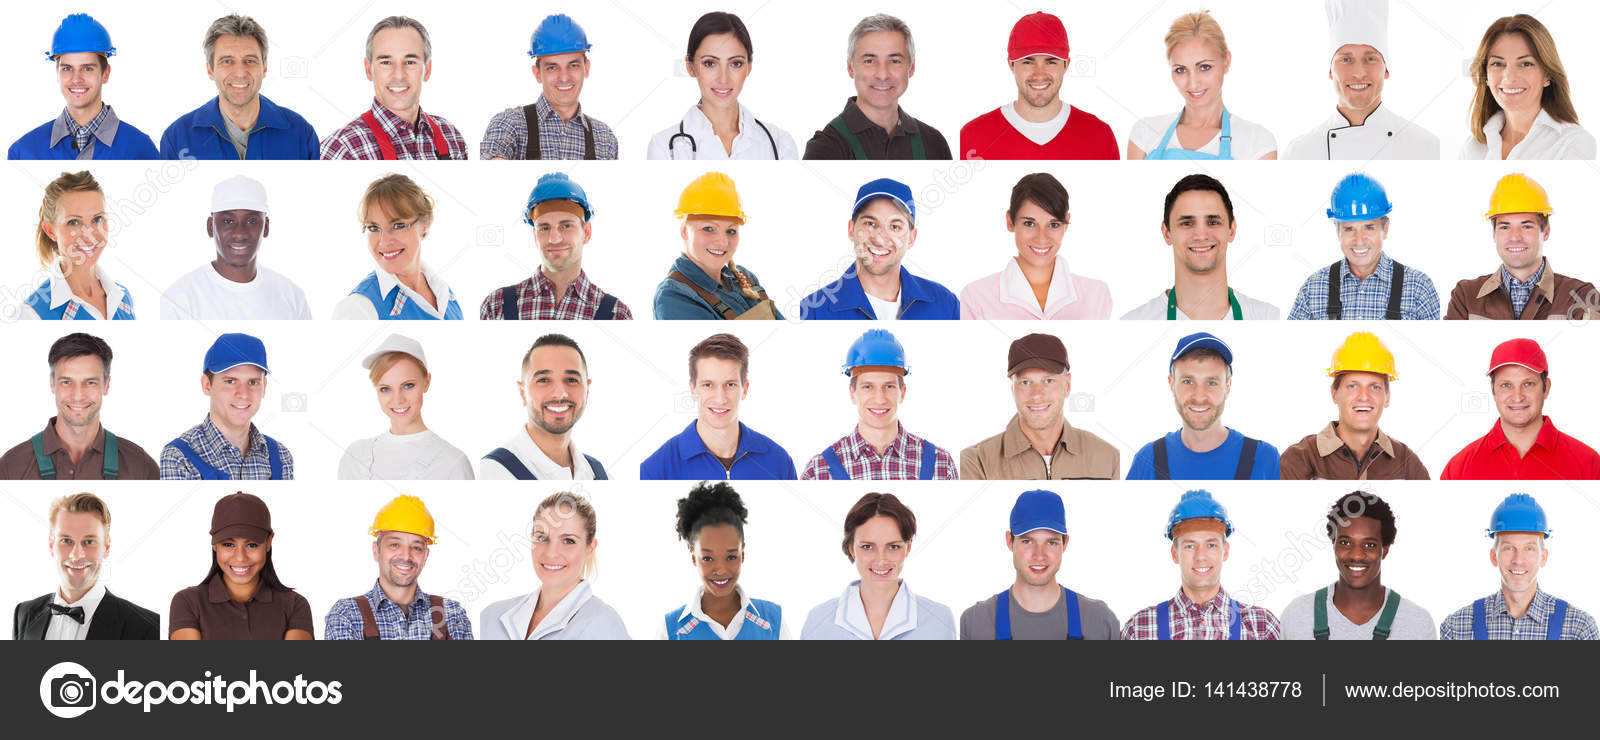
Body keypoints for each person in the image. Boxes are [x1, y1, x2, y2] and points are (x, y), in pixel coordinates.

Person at [1283, 0, 1440, 160]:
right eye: (1345, 60)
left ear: (1386, 70)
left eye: (1370, 58)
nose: (1359, 73)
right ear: (1331, 71)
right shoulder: (1299, 153)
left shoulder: (1425, 148)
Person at [958, 489, 1120, 640]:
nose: (1039, 555)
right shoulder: (974, 623)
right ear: (1009, 541)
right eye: (1027, 541)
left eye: (1051, 542)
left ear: (1065, 544)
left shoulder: (1101, 622)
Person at [1122, 490, 1280, 640]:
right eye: (1189, 546)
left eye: (1211, 545)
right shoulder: (1139, 629)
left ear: (1225, 551)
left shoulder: (1262, 627)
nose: (1201, 556)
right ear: (1175, 554)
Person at [801, 329, 957, 480]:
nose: (880, 399)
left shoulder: (941, 464)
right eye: (868, 387)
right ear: (852, 393)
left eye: (889, 386)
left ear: (902, 393)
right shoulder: (819, 470)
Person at [960, 333, 1120, 481]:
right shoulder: (977, 462)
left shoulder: (1109, 458)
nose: (1037, 395)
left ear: (1068, 385)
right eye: (1025, 382)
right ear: (1013, 389)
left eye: (1048, 381)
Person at [959, 12, 1117, 160]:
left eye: (1051, 62)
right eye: (1028, 62)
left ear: (1066, 65)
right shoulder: (973, 136)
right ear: (1011, 65)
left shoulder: (1099, 135)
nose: (1039, 74)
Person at [158, 14, 319, 160]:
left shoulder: (301, 134)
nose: (240, 73)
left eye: (250, 61)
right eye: (227, 61)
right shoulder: (177, 138)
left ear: (264, 68)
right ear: (210, 70)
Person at [0, 333, 159, 480]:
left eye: (90, 383)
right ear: (52, 384)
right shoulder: (10, 467)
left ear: (106, 385)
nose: (77, 396)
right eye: (67, 382)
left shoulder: (141, 467)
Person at [1440, 494, 1597, 640]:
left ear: (1543, 557)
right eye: (1508, 548)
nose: (1518, 560)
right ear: (1493, 557)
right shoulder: (1457, 628)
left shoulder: (1579, 629)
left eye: (1529, 548)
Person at [1121, 175, 1279, 320]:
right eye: (1187, 223)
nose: (1201, 235)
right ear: (1167, 233)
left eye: (1213, 222)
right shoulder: (1132, 321)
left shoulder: (1270, 318)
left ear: (1231, 230)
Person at [797, 177, 959, 320]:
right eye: (870, 223)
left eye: (894, 227)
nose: (880, 239)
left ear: (911, 238)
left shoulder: (946, 305)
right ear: (851, 229)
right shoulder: (813, 312)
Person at [640, 333, 796, 480]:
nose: (720, 399)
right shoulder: (654, 470)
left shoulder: (779, 461)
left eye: (730, 384)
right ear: (693, 390)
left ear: (745, 389)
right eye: (708, 385)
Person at [1282, 492, 1436, 640]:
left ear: (1385, 550)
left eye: (1369, 545)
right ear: (1333, 545)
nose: (1356, 555)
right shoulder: (1296, 616)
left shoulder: (1418, 624)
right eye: (1345, 543)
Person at [958, 173, 1113, 319]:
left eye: (1053, 224)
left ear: (1066, 224)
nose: (1041, 237)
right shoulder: (975, 298)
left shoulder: (1097, 295)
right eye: (1029, 223)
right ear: (1010, 222)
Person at [478, 173, 632, 320]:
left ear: (586, 233)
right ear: (535, 236)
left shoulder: (616, 314)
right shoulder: (496, 306)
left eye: (565, 226)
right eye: (544, 228)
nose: (554, 238)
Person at [1127, 332, 1280, 480]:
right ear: (1172, 384)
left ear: (1227, 387)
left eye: (1211, 383)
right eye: (1188, 381)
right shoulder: (1147, 460)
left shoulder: (1265, 459)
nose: (1199, 396)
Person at [1287, 173, 1440, 320]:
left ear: (1385, 229)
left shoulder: (1419, 288)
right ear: (1338, 231)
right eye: (1349, 229)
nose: (1359, 240)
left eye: (1368, 227)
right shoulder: (1313, 288)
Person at [802, 493, 955, 640]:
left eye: (893, 547)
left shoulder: (941, 620)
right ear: (851, 549)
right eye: (867, 547)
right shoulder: (818, 621)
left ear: (907, 548)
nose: (881, 560)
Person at [1442, 339, 1600, 480]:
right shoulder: (1458, 470)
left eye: (1528, 384)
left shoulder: (1590, 464)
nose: (1517, 397)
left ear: (1546, 388)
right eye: (1506, 385)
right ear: (1493, 390)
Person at [159, 175, 314, 320]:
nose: (240, 234)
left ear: (266, 227)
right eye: (228, 221)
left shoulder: (292, 297)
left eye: (252, 221)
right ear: (210, 227)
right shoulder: (179, 299)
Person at [1446, 174, 1597, 320]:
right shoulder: (1466, 296)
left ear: (1546, 232)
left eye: (1526, 227)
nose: (1515, 237)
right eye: (1505, 227)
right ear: (1494, 234)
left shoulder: (1582, 297)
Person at [1279, 332, 1430, 480]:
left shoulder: (1408, 464)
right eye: (1352, 386)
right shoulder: (1300, 459)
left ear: (1387, 398)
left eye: (1375, 387)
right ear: (1334, 394)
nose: (1364, 396)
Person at [1128, 11, 1277, 160]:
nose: (1193, 84)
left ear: (1226, 62)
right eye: (1180, 70)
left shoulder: (1257, 143)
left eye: (1204, 67)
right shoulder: (1145, 132)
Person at [649, 12, 798, 160]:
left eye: (735, 63)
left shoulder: (781, 144)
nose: (723, 79)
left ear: (749, 67)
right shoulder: (664, 148)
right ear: (690, 66)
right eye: (710, 63)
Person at [9, 13, 159, 160]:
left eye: (87, 68)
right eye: (67, 68)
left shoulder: (140, 150)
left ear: (105, 74)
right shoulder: (23, 153)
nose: (76, 79)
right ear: (57, 72)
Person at [480, 493, 629, 639]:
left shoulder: (604, 625)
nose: (551, 553)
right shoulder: (490, 618)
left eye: (568, 541)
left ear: (590, 547)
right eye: (542, 537)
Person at [803, 14, 952, 160]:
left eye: (894, 61)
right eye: (869, 61)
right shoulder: (826, 148)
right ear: (850, 68)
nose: (882, 74)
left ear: (911, 68)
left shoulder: (934, 143)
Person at [13, 493, 159, 639]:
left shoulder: (149, 627)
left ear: (106, 547)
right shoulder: (24, 613)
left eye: (89, 542)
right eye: (66, 540)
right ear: (51, 545)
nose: (76, 555)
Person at [169, 492, 314, 640]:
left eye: (252, 545)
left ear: (269, 541)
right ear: (214, 544)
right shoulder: (187, 602)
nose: (240, 557)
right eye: (228, 544)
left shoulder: (295, 605)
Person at [325, 495, 473, 640]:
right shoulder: (347, 615)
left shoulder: (452, 615)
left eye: (416, 547)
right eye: (394, 545)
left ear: (426, 556)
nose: (406, 556)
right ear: (376, 551)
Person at [321, 16, 466, 160]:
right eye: (386, 62)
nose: (398, 75)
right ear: (368, 70)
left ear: (427, 70)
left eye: (409, 62)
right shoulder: (341, 150)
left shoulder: (451, 137)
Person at [481, 14, 619, 160]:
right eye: (552, 68)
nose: (564, 77)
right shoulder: (510, 124)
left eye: (573, 65)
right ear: (537, 73)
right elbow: (492, 172)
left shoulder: (605, 139)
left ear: (587, 68)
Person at [160, 333, 294, 481]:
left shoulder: (281, 457)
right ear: (207, 385)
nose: (243, 394)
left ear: (264, 387)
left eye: (253, 382)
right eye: (230, 381)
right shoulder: (178, 458)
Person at [338, 334, 473, 480]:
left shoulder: (453, 462)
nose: (398, 399)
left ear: (427, 382)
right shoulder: (354, 456)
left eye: (408, 386)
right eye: (385, 389)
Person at [661, 482, 786, 639]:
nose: (720, 569)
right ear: (693, 556)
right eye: (708, 558)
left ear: (743, 554)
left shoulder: (773, 621)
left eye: (731, 557)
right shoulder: (671, 630)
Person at [1460, 15, 1593, 160]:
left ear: (1547, 75)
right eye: (1497, 64)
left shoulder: (1574, 143)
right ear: (1486, 75)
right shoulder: (1472, 148)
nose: (1509, 78)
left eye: (1526, 64)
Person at [653, 172, 781, 320]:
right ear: (684, 231)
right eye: (709, 229)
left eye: (731, 231)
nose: (723, 242)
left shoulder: (745, 278)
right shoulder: (674, 297)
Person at [479, 334, 608, 481]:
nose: (560, 393)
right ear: (522, 392)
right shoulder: (492, 473)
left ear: (587, 390)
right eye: (544, 380)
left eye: (571, 380)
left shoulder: (600, 474)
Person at [333, 173, 462, 320]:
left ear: (424, 224)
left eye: (398, 225)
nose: (384, 241)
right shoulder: (358, 310)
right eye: (374, 228)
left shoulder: (446, 294)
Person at [21, 170, 134, 320]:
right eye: (73, 222)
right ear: (50, 231)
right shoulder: (31, 314)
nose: (90, 235)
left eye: (97, 219)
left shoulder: (123, 297)